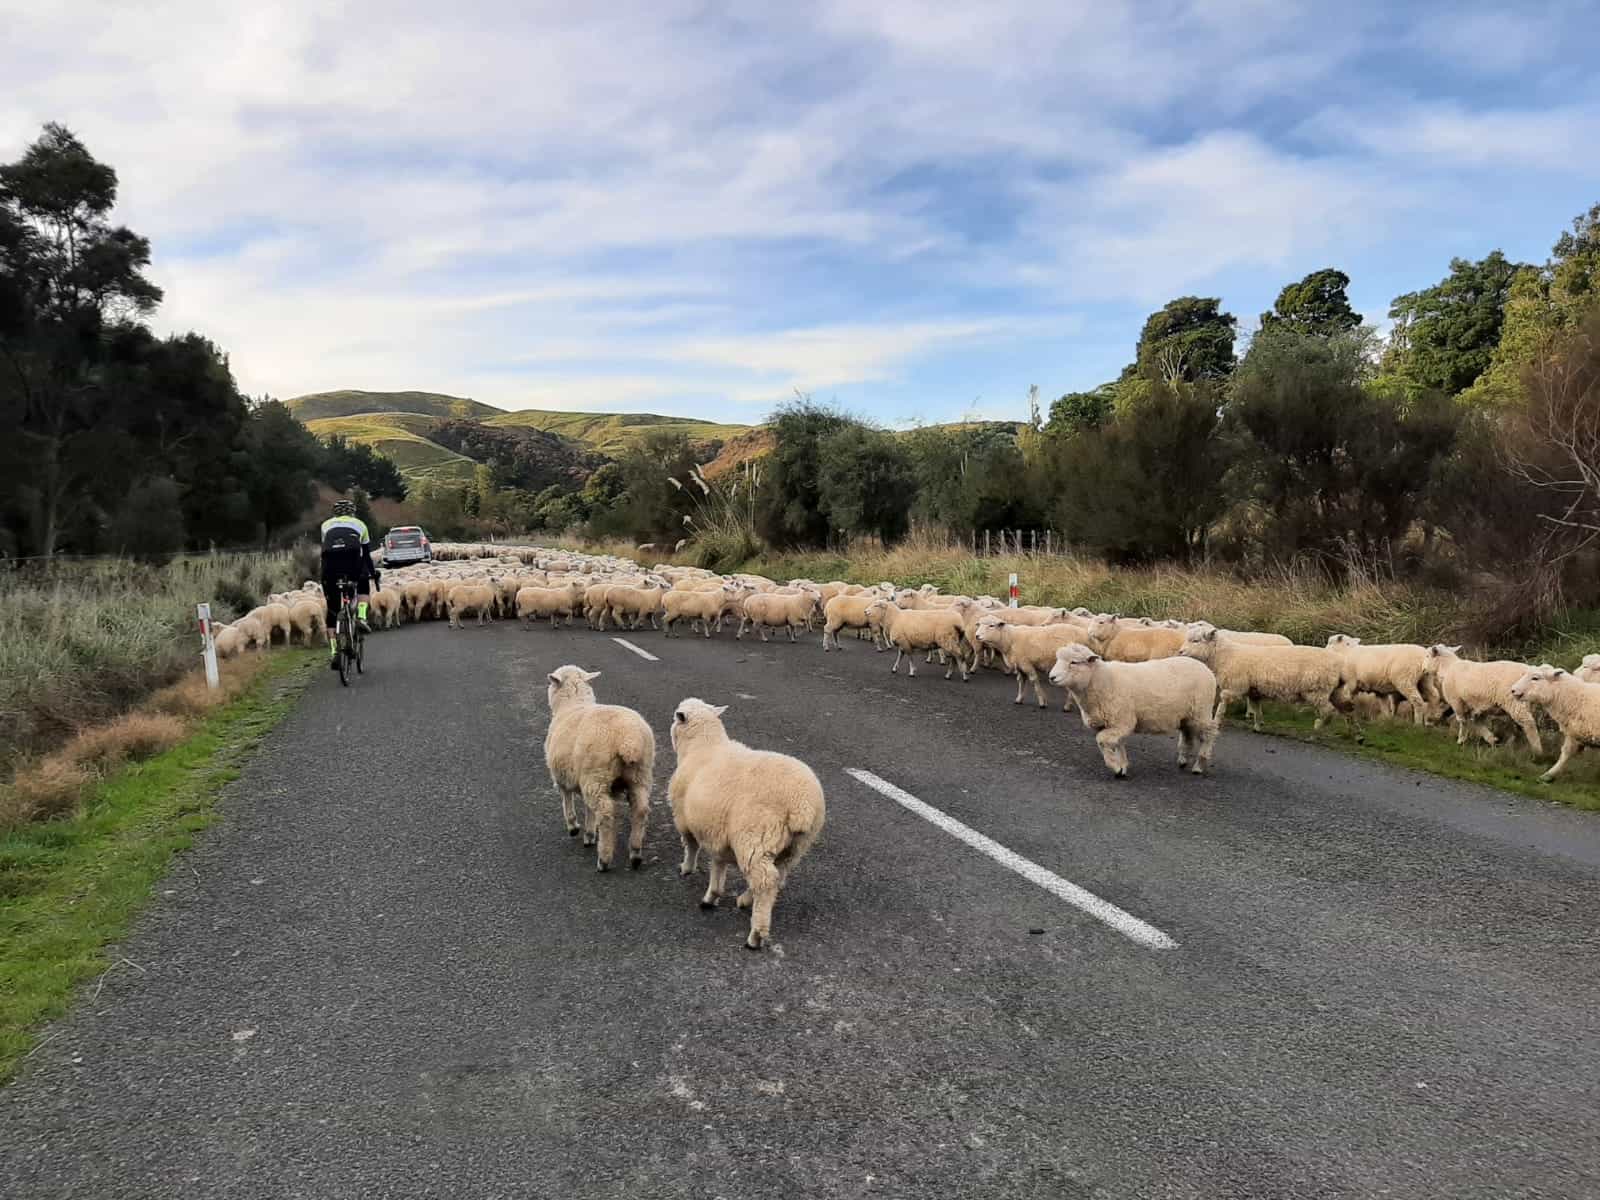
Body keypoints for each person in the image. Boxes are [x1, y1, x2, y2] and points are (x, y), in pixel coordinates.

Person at [320, 498, 378, 668]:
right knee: (363, 586)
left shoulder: (326, 525)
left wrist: (323, 576)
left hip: (330, 569)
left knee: (332, 611)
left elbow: (324, 551)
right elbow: (366, 554)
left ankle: (333, 652)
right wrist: (372, 573)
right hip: (353, 565)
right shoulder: (360, 524)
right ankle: (361, 616)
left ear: (335, 513)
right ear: (352, 512)